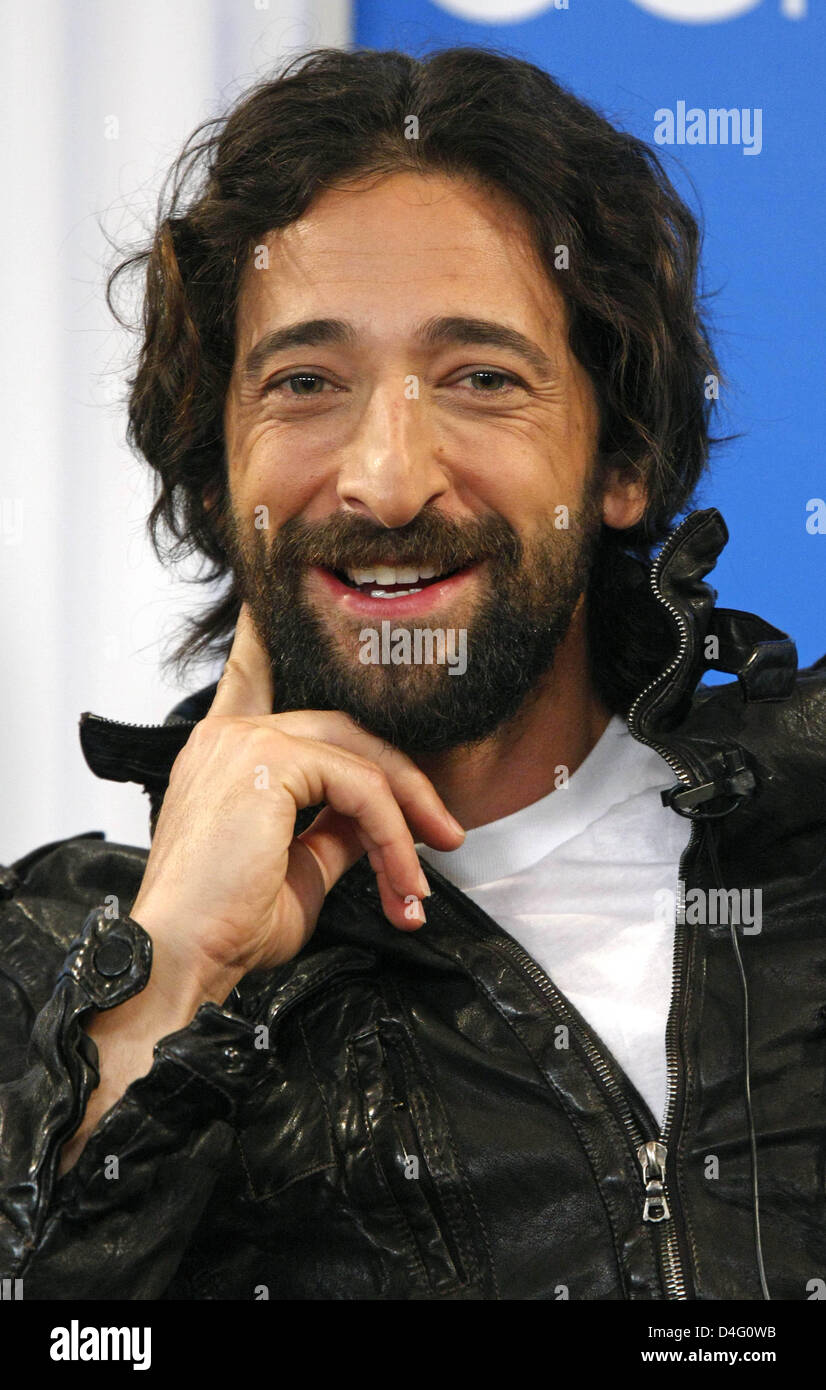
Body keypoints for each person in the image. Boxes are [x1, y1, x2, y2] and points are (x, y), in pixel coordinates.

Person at [1, 45, 823, 1302]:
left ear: (623, 462)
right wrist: (160, 985)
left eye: (481, 378)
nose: (386, 479)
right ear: (220, 481)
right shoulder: (47, 964)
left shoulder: (805, 849)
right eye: (305, 383)